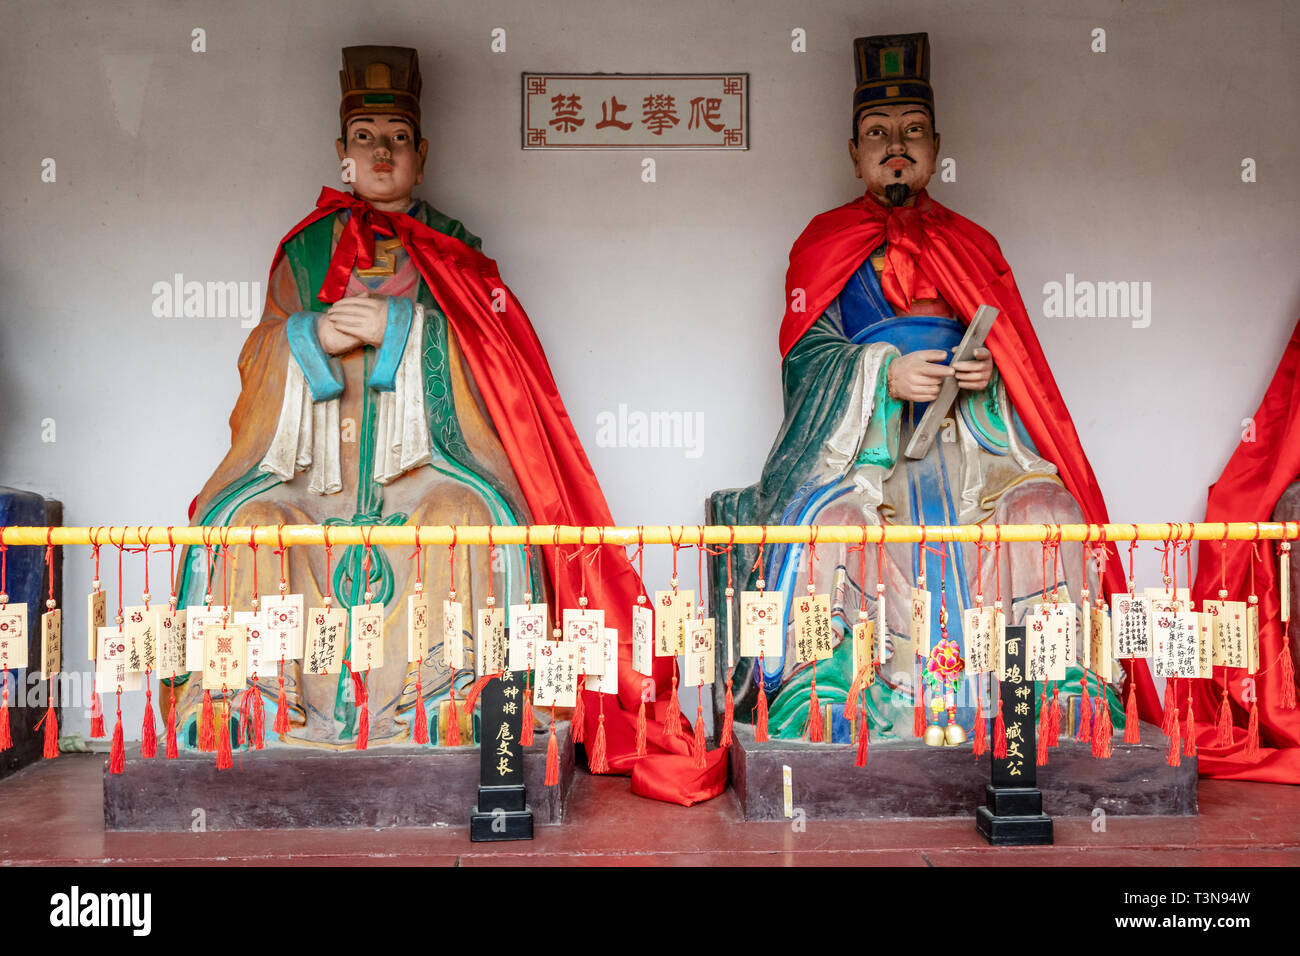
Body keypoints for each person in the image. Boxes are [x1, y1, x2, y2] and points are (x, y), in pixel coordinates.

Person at [168, 49, 729, 805]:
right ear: (341, 154)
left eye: (396, 137)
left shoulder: (453, 248)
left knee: (470, 519)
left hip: (427, 467)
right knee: (246, 523)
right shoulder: (302, 251)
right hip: (311, 476)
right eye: (364, 136)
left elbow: (493, 362)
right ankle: (247, 707)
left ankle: (452, 706)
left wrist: (407, 329)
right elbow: (257, 359)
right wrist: (310, 338)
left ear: (421, 156)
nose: (379, 152)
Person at [710, 33, 1124, 742]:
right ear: (853, 152)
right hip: (862, 456)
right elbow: (805, 362)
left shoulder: (973, 244)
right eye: (877, 134)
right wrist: (879, 374)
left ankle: (1048, 689)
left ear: (936, 146)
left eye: (911, 132)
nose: (894, 146)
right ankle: (838, 693)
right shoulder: (824, 240)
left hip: (974, 449)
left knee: (1047, 510)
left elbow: (1018, 363)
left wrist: (985, 378)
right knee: (834, 529)